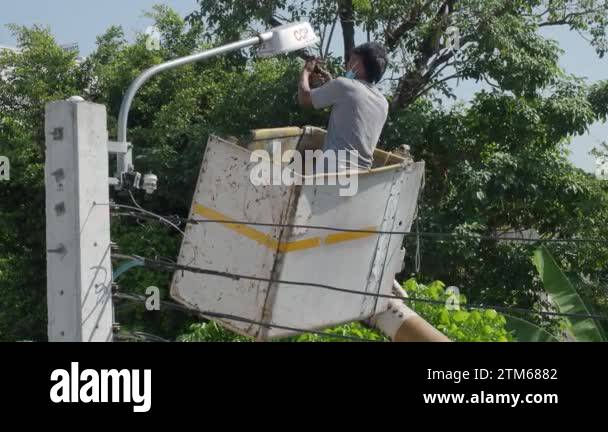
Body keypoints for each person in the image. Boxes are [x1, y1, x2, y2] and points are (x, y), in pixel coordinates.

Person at [298, 42, 390, 170]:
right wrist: (331, 83)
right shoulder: (383, 103)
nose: (347, 65)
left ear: (359, 65)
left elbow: (304, 99)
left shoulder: (343, 86)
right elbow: (350, 111)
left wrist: (306, 71)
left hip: (331, 170)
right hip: (360, 176)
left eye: (352, 60)